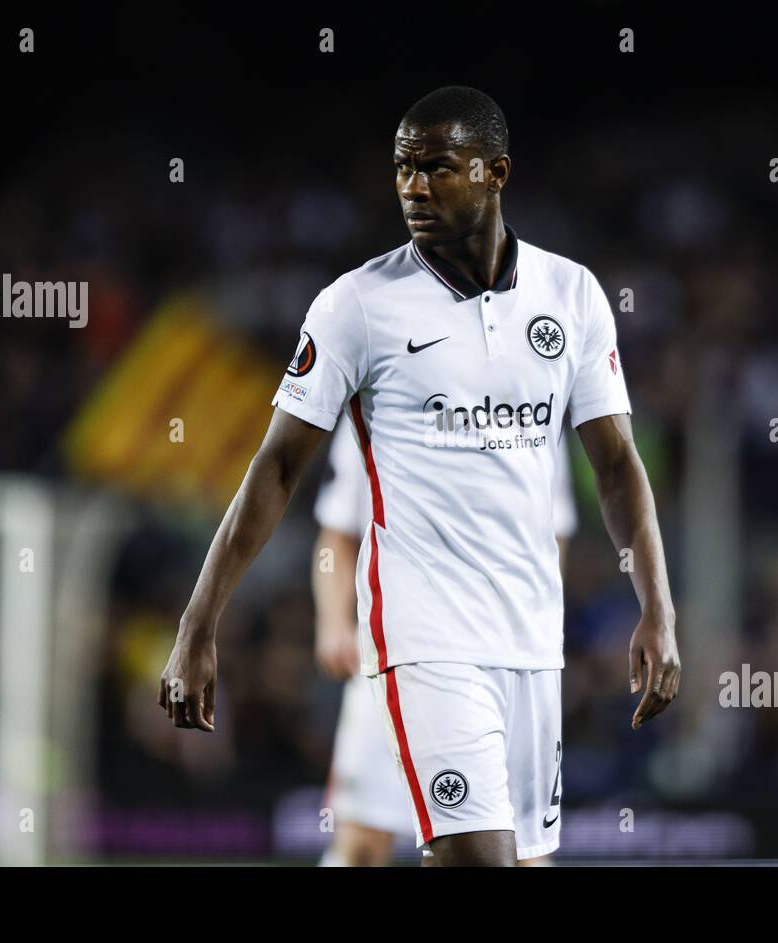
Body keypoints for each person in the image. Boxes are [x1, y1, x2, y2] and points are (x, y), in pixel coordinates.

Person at [159, 85, 679, 867]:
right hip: (423, 635)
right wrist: (198, 623)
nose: (413, 186)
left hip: (533, 638)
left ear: (495, 171)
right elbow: (276, 467)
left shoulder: (570, 296)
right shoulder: (357, 306)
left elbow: (615, 465)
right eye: (403, 167)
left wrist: (657, 606)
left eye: (437, 166)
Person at [312, 413, 579, 866]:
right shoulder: (381, 398)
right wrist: (333, 622)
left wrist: (541, 633)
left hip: (500, 659)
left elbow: (553, 536)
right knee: (362, 841)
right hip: (398, 648)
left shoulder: (531, 395)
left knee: (516, 850)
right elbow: (337, 530)